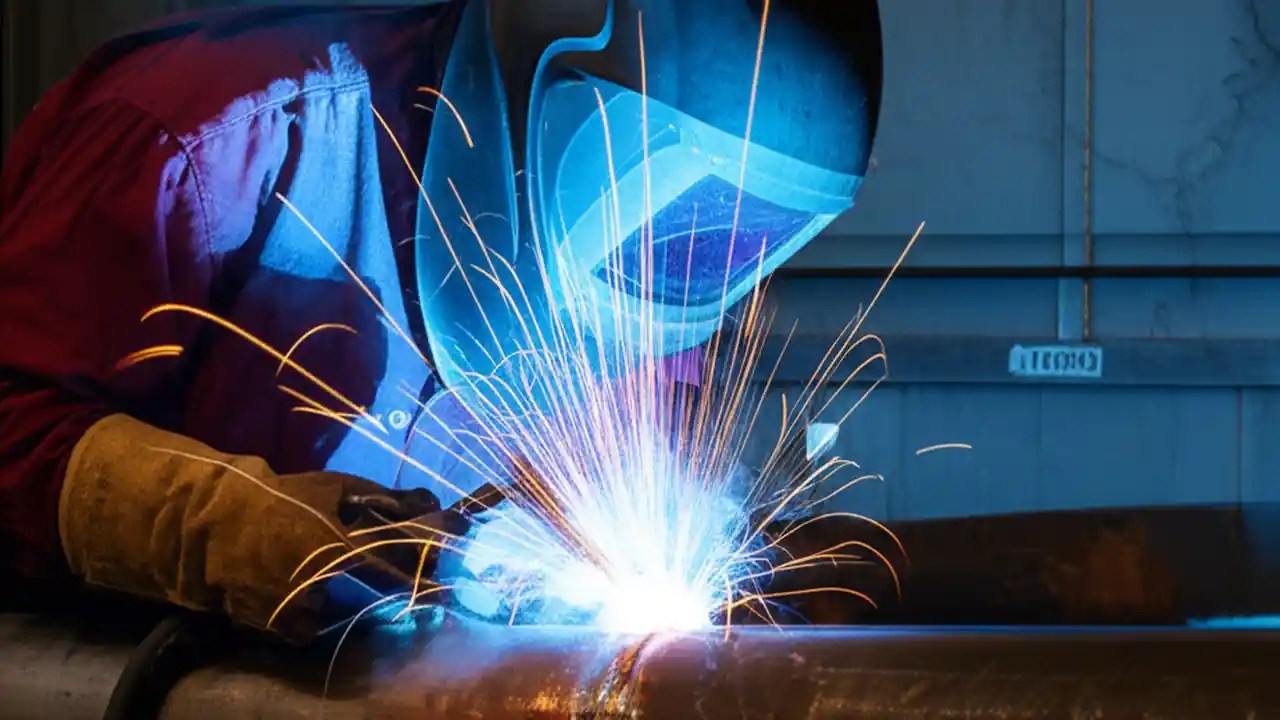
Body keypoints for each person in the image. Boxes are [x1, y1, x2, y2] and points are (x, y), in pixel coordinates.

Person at [0, 0, 881, 642]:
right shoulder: (213, 136)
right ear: (544, 67)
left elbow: (649, 479)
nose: (682, 261)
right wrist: (229, 524)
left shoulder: (667, 281)